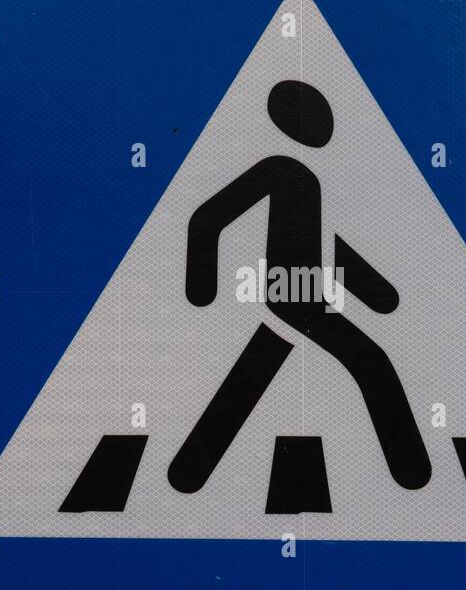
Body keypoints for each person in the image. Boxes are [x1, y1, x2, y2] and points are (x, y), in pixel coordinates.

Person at [168, 80, 432, 495]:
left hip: (302, 292)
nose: (324, 129)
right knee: (371, 361)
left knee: (260, 364)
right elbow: (208, 218)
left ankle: (187, 472)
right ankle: (412, 471)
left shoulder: (308, 177)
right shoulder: (280, 168)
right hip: (292, 293)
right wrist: (201, 286)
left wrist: (378, 293)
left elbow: (328, 247)